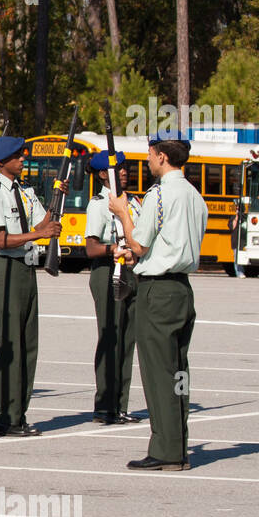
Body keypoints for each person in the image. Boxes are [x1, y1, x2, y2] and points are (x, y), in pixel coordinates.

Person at [108, 130, 208, 471]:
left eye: (150, 154)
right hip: (182, 288)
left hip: (158, 290)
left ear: (161, 156)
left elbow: (140, 243)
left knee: (158, 372)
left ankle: (165, 450)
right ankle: (177, 445)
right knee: (179, 372)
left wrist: (123, 212)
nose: (148, 160)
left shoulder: (160, 194)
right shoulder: (195, 195)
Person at [0, 135, 63, 437]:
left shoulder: (25, 191)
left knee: (28, 345)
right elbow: (2, 240)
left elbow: (42, 224)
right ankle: (4, 415)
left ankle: (19, 413)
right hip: (6, 269)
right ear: (2, 162)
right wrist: (37, 235)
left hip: (26, 269)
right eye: (17, 156)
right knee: (10, 345)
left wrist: (56, 198)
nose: (22, 160)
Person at [84, 150, 141, 425]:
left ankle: (121, 403)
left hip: (130, 269)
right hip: (108, 270)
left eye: (124, 167)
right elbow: (91, 246)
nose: (123, 171)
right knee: (110, 337)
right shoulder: (98, 204)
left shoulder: (134, 202)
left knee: (127, 339)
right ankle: (105, 405)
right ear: (103, 174)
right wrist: (113, 248)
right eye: (117, 168)